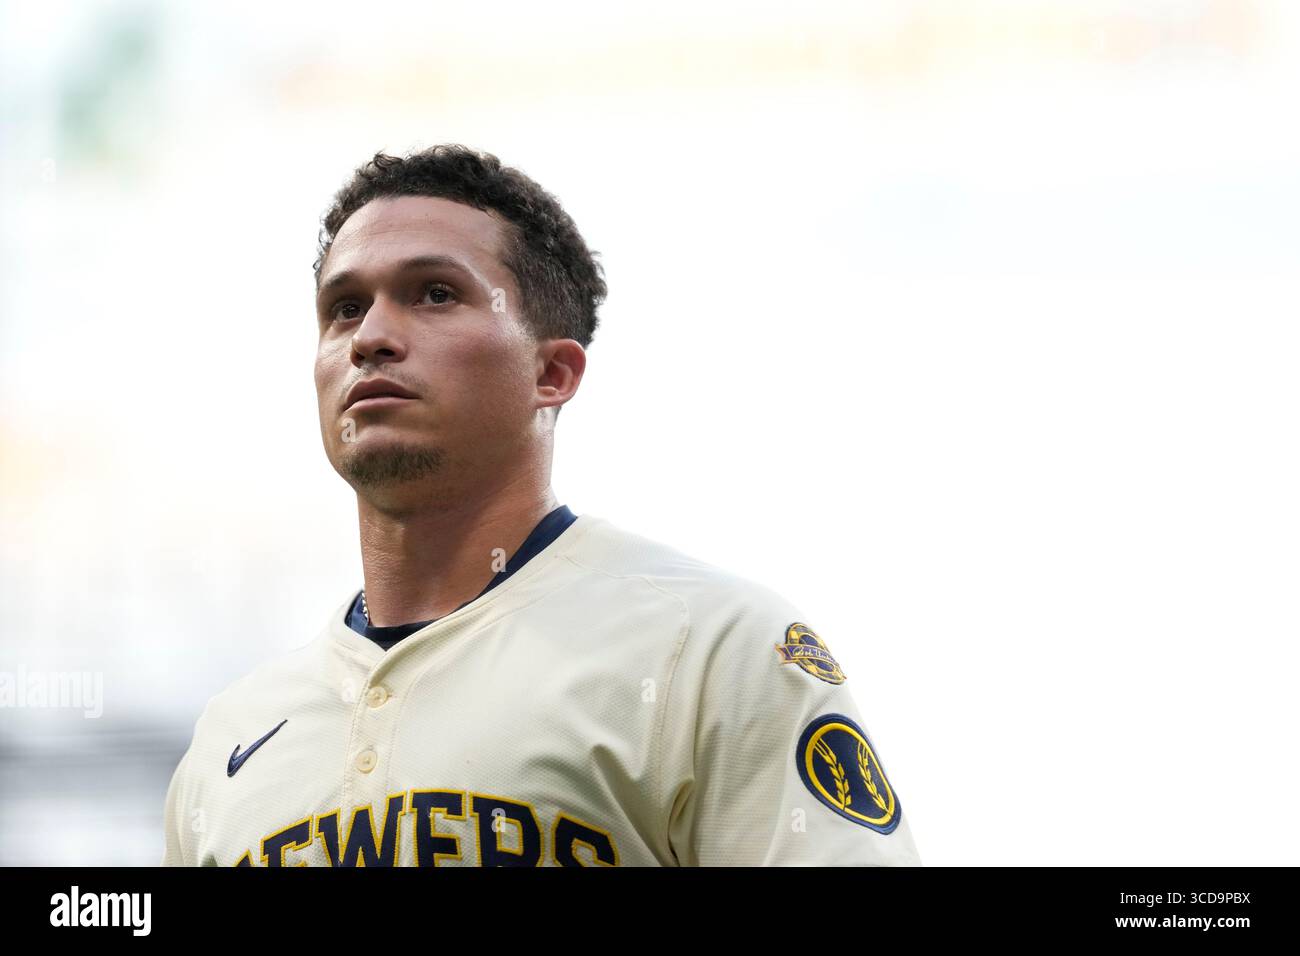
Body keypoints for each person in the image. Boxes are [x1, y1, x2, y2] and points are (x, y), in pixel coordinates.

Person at [161, 144, 921, 866]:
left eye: (434, 294)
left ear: (551, 373)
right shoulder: (235, 733)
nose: (372, 338)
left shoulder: (713, 647)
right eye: (345, 307)